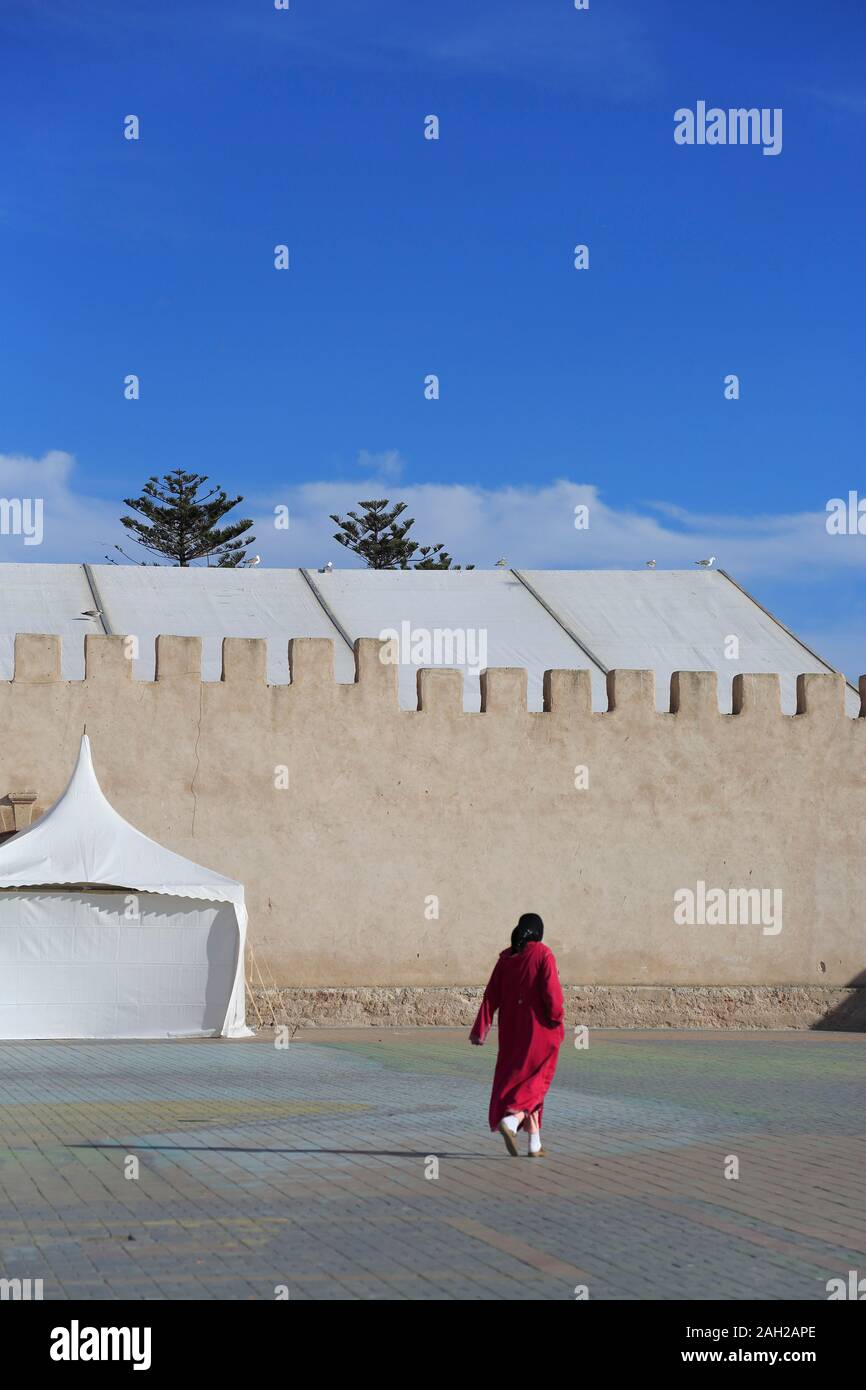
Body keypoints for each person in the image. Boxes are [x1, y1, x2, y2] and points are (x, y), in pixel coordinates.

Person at [469, 912, 565, 1157]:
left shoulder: (506, 959)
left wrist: (481, 1030)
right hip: (540, 1032)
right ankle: (513, 1120)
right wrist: (557, 1018)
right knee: (538, 1081)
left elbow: (491, 996)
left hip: (512, 1034)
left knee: (526, 1081)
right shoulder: (543, 954)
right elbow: (552, 993)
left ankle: (535, 1142)